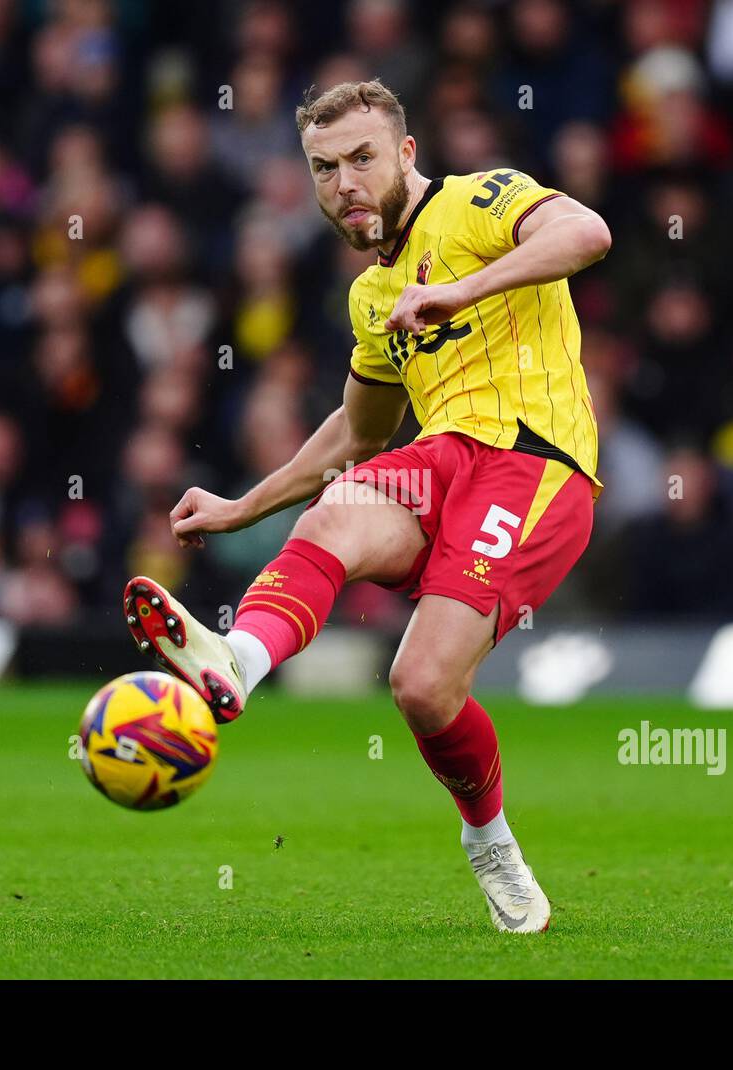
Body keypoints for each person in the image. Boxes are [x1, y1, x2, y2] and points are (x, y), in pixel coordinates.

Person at [123, 80, 610, 933]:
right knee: (338, 511)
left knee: (421, 689)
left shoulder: (479, 199)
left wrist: (462, 293)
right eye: (323, 168)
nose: (344, 182)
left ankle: (490, 844)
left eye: (361, 158)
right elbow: (357, 432)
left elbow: (587, 232)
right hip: (442, 459)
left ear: (407, 153)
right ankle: (239, 659)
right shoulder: (372, 299)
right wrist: (245, 505)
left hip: (536, 465)